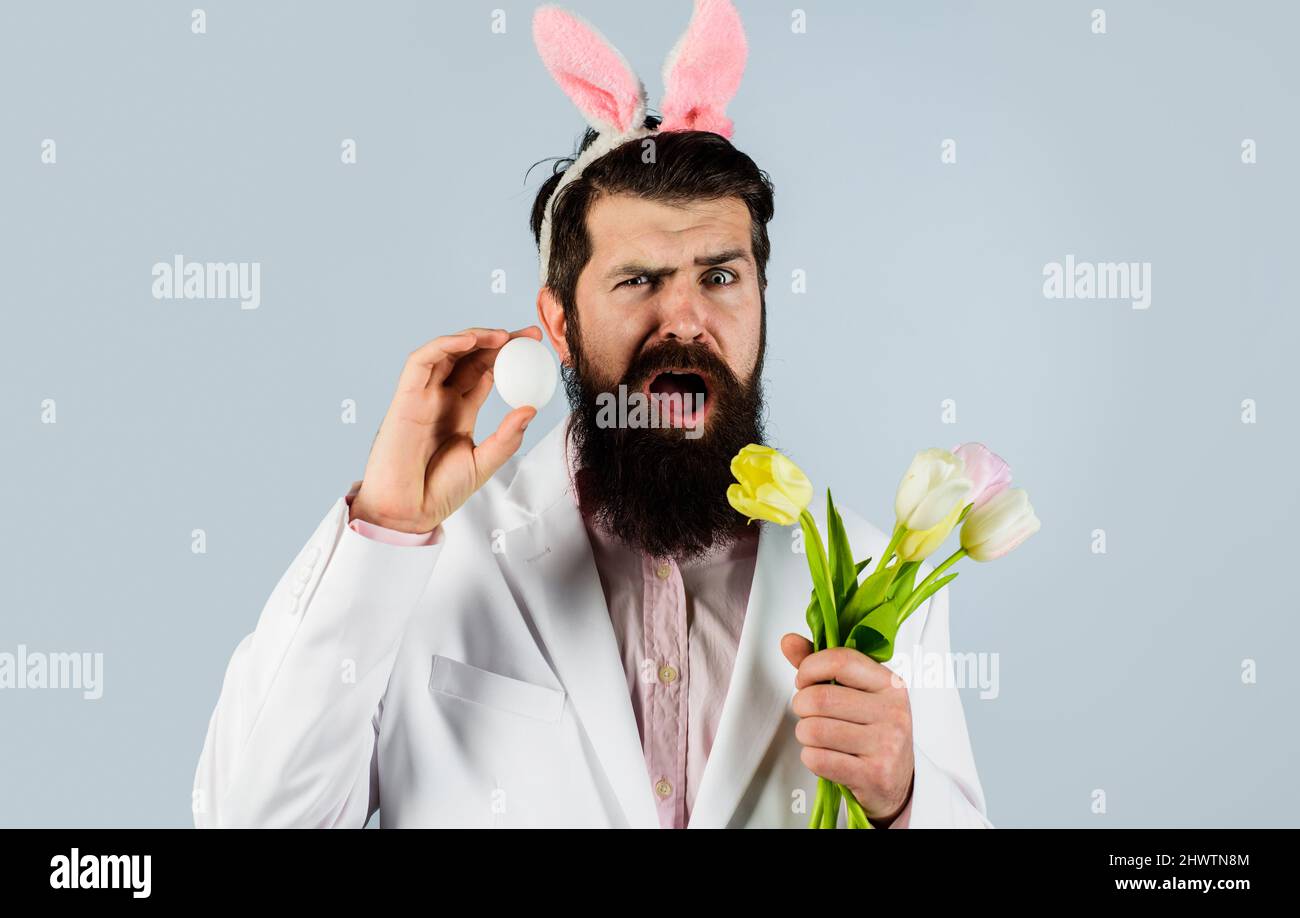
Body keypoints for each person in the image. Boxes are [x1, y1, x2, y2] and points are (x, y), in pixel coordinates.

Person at [193, 0, 992, 829]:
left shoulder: (872, 573)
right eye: (639, 280)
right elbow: (248, 817)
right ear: (559, 325)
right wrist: (386, 529)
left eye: (720, 277)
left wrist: (904, 802)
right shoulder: (427, 558)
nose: (686, 319)